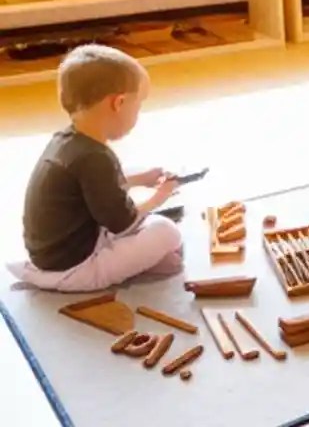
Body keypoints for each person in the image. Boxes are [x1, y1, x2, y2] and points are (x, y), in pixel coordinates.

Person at [7, 45, 183, 293]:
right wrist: (159, 197)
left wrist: (140, 179)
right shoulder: (96, 158)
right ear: (118, 103)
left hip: (53, 255)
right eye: (138, 105)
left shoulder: (67, 140)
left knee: (148, 225)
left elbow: (94, 188)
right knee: (167, 231)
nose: (138, 113)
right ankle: (135, 264)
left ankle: (139, 260)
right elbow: (125, 224)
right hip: (76, 270)